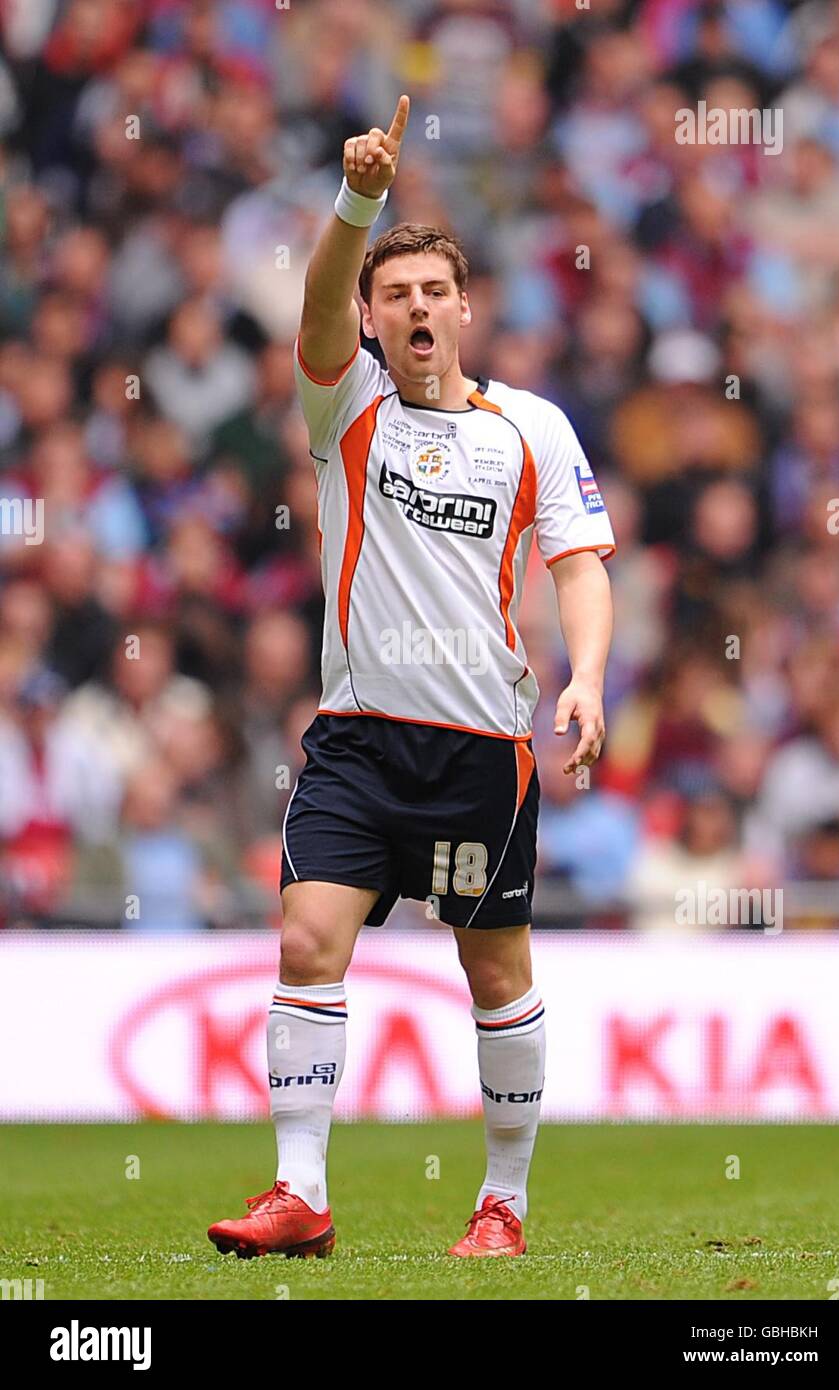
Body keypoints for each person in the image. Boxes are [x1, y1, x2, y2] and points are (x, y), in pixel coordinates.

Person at [207, 95, 615, 1261]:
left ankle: (503, 1204)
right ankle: (300, 1193)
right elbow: (314, 304)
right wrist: (359, 200)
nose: (418, 307)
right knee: (304, 942)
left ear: (467, 309)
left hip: (480, 750)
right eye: (396, 294)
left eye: (436, 290)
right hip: (356, 741)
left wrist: (583, 678)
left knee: (493, 972)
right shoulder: (345, 409)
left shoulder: (531, 428)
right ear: (371, 320)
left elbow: (580, 566)